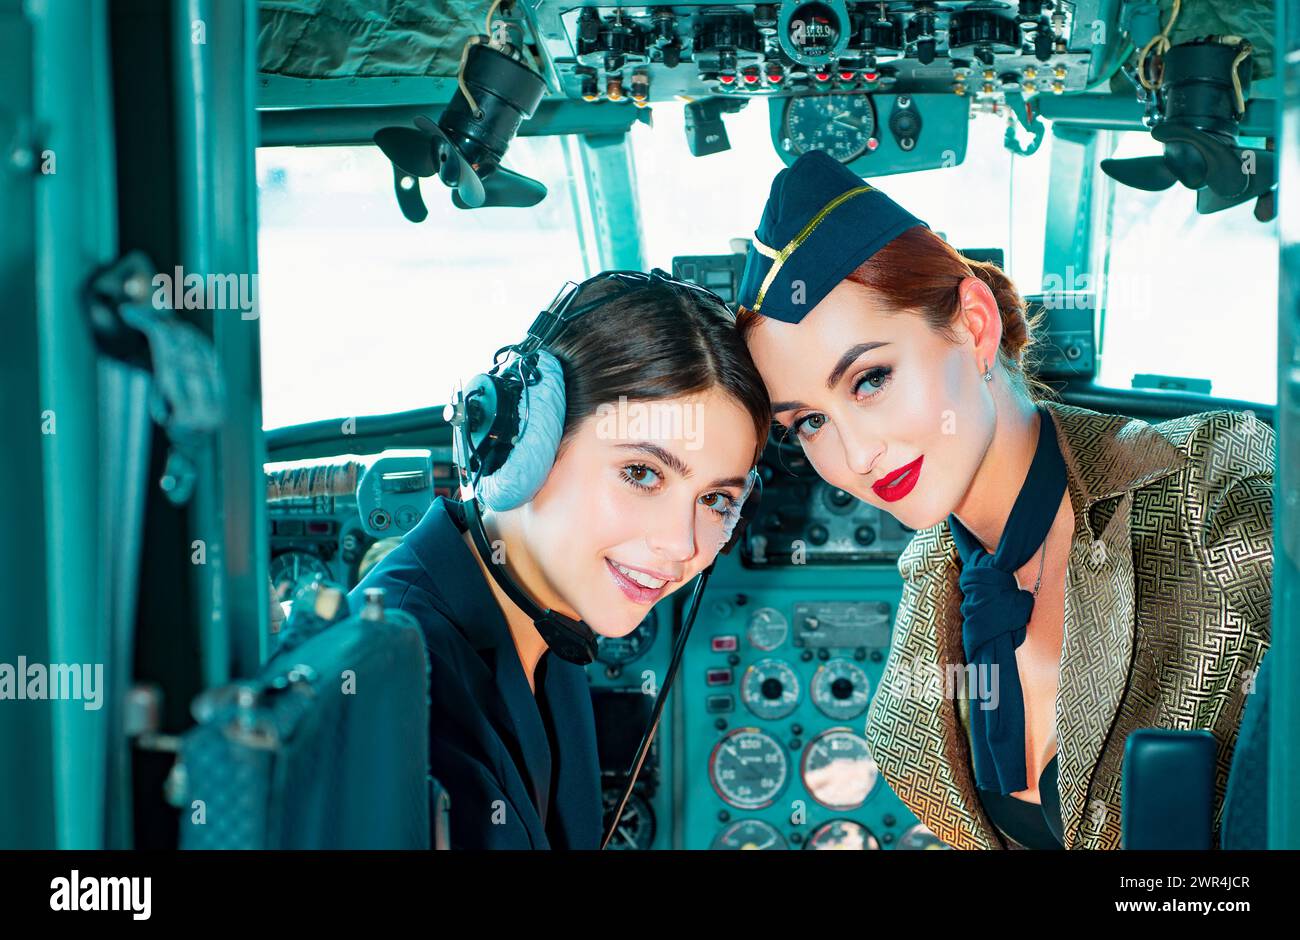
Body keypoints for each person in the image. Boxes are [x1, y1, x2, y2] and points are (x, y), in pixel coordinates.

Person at [728, 150, 1274, 849]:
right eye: (808, 422)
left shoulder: (1208, 486)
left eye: (869, 380)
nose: (854, 456)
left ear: (974, 326)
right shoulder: (931, 593)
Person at [349, 269, 770, 849]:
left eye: (715, 499)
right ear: (524, 442)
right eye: (642, 473)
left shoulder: (551, 634)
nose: (683, 544)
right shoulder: (400, 696)